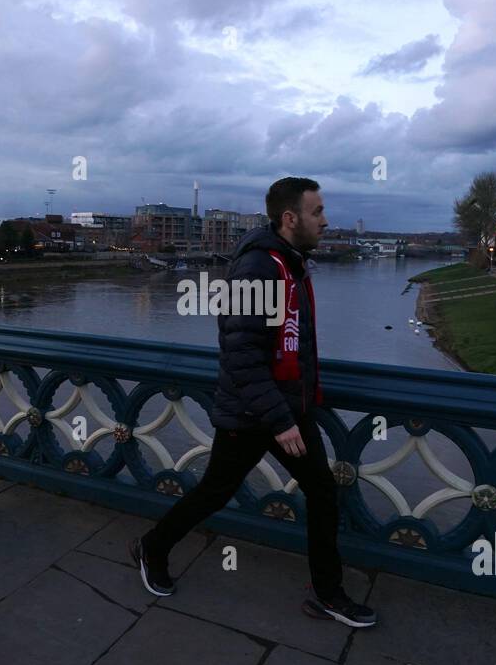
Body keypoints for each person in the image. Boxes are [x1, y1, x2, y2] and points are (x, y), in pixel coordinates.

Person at [130, 177, 376, 628]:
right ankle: (153, 546)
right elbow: (241, 354)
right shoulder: (259, 267)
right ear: (290, 218)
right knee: (216, 492)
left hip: (284, 409)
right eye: (317, 212)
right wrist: (281, 419)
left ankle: (327, 592)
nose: (325, 220)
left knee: (321, 493)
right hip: (257, 414)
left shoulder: (289, 262)